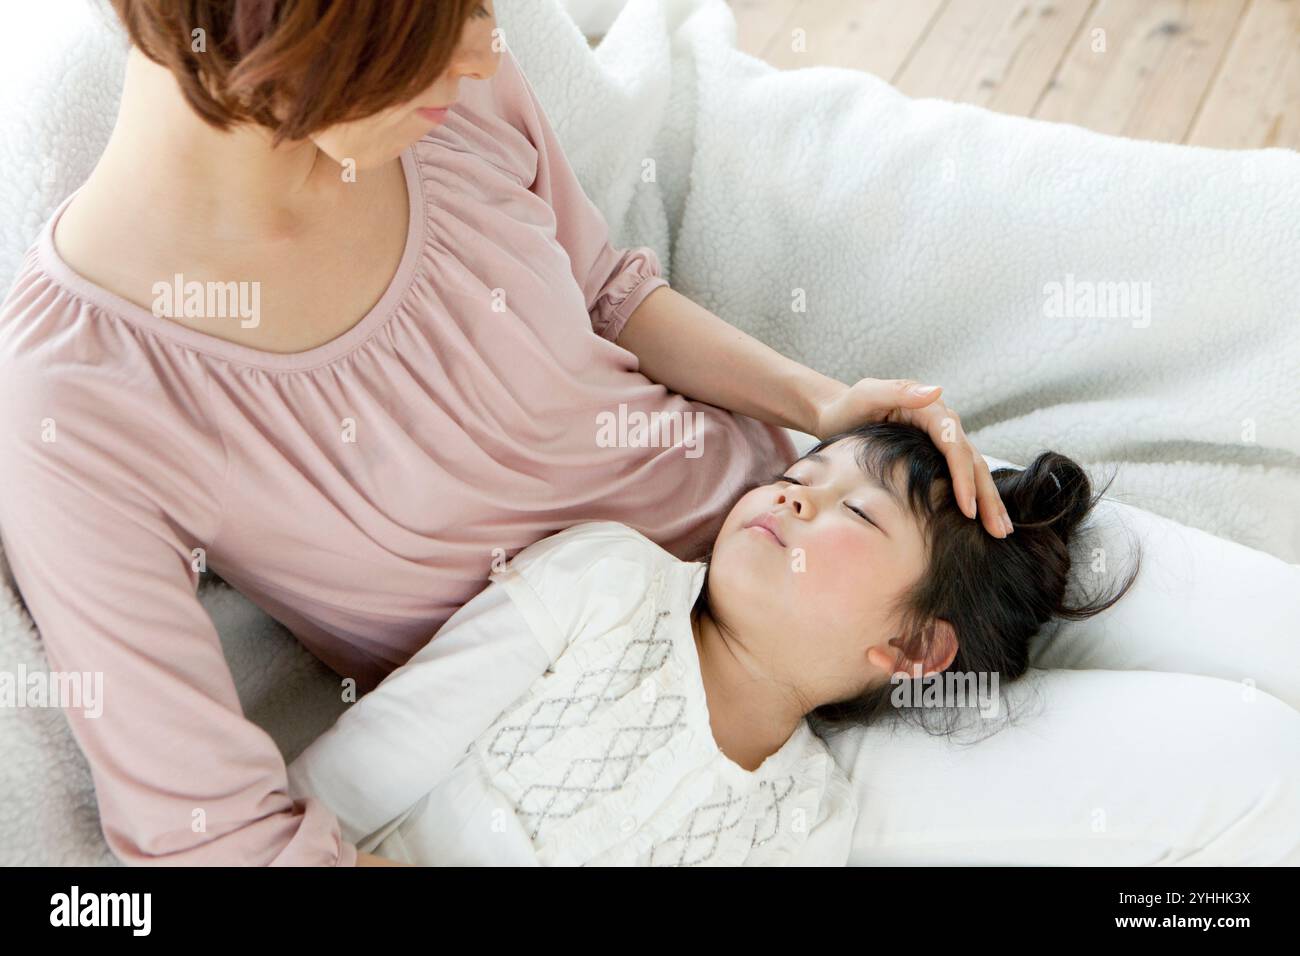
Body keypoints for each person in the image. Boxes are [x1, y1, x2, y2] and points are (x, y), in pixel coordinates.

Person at [0, 0, 1009, 866]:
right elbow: (217, 838)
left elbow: (607, 291)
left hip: (842, 581)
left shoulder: (434, 91)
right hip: (608, 746)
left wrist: (819, 407)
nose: (487, 48)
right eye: (448, 22)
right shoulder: (76, 404)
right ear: (289, 40)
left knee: (1122, 594)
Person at [285, 421, 1136, 866]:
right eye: (798, 477)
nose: (795, 499)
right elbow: (352, 776)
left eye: (858, 512)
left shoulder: (807, 826)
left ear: (912, 650)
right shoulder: (607, 584)